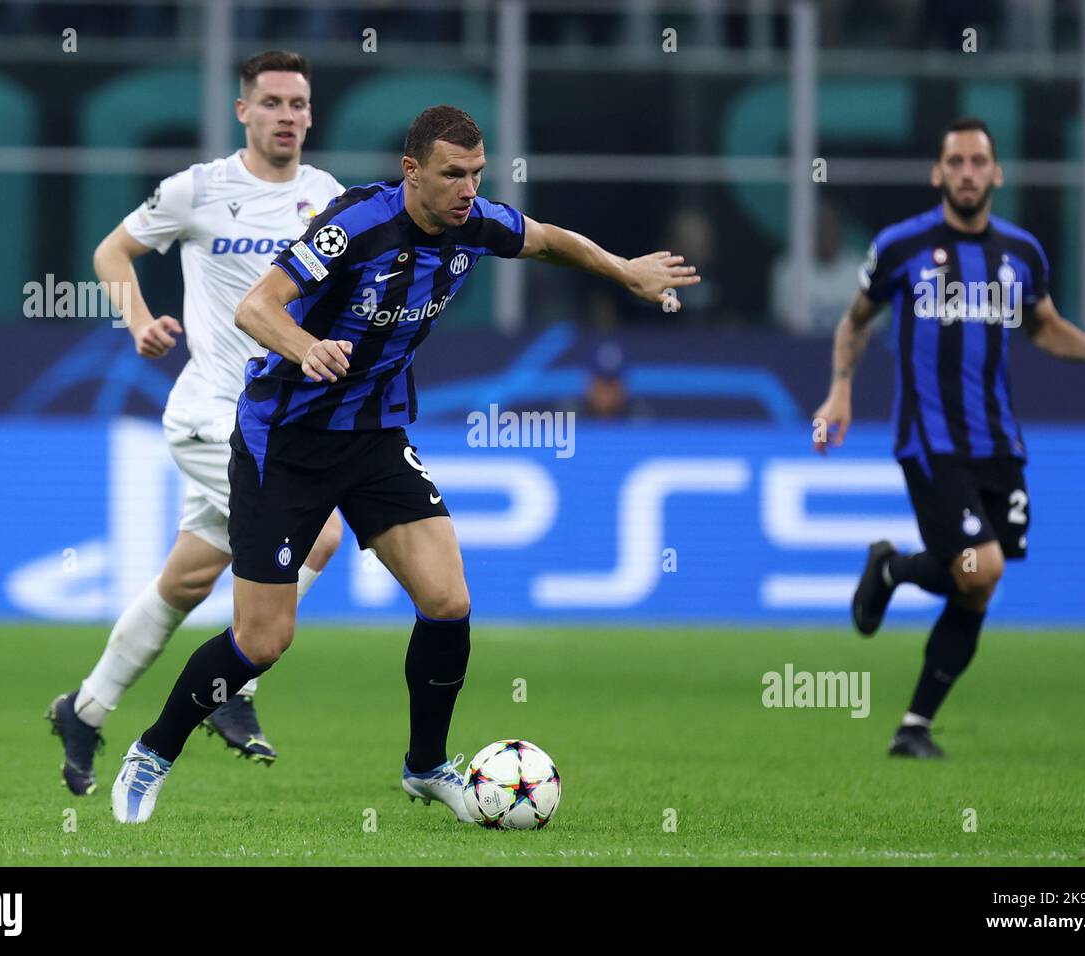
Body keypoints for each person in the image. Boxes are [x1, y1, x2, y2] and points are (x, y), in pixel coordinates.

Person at [109, 104, 700, 823]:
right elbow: (258, 307)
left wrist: (622, 271)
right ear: (411, 171)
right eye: (454, 174)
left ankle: (426, 767)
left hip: (375, 438)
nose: (468, 190)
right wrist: (305, 348)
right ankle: (153, 751)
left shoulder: (474, 222)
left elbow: (546, 241)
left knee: (448, 601)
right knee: (263, 640)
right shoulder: (354, 225)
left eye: (478, 175)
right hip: (285, 442)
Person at [47, 51, 345, 795]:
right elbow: (112, 249)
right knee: (322, 528)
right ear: (243, 111)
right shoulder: (200, 190)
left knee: (186, 580)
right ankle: (234, 691)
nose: (287, 115)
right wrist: (139, 320)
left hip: (280, 417)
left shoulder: (330, 199)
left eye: (298, 103)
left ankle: (84, 708)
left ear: (311, 113)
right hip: (210, 412)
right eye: (272, 101)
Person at [812, 117, 1085, 758]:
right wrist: (840, 391)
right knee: (980, 564)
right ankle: (895, 574)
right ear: (938, 173)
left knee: (980, 582)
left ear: (996, 173)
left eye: (978, 162)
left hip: (1000, 442)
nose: (967, 173)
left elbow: (1043, 328)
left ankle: (913, 722)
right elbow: (855, 322)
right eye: (955, 162)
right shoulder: (902, 246)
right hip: (930, 440)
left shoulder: (1022, 254)